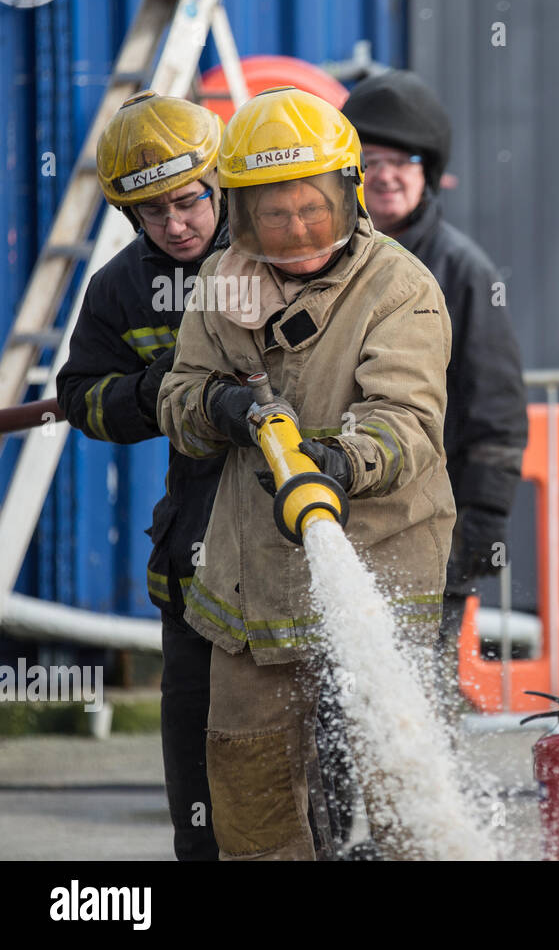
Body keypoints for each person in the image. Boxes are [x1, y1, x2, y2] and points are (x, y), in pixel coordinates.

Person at [157, 86, 455, 860]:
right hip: (249, 580)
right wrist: (217, 409)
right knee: (248, 785)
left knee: (400, 787)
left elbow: (407, 422)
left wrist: (336, 463)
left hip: (378, 560)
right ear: (243, 212)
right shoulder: (223, 280)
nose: (294, 229)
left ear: (349, 196)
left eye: (311, 208)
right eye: (273, 213)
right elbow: (178, 395)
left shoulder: (400, 289)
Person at [55, 90, 227, 862]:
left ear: (220, 184)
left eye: (188, 201)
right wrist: (148, 392)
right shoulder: (122, 287)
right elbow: (80, 396)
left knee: (300, 791)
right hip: (191, 568)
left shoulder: (285, 258)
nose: (176, 224)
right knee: (197, 797)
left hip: (297, 552)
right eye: (152, 212)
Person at [342, 71, 527, 677]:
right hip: (336, 522)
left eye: (405, 159)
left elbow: (497, 413)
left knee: (417, 695)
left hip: (430, 529)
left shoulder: (463, 270)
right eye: (372, 159)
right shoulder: (319, 263)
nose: (388, 174)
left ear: (430, 171)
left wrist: (480, 527)